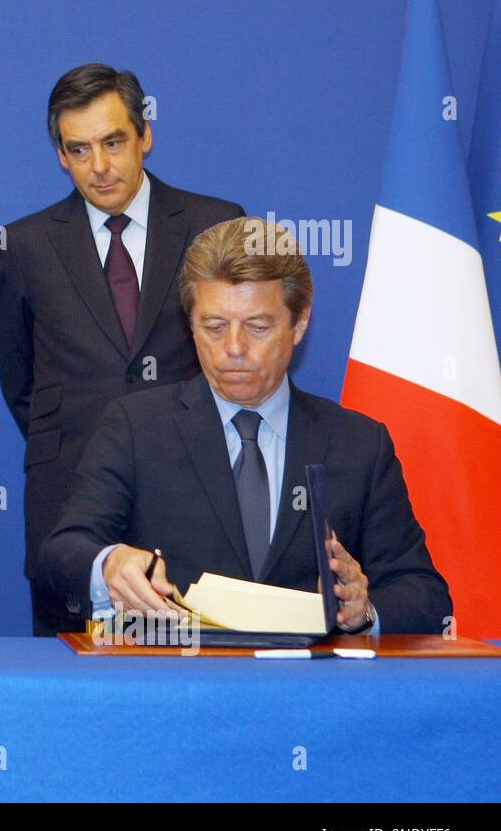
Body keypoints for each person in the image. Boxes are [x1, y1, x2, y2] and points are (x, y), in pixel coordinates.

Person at [36, 217, 453, 635]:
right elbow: (61, 554)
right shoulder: (135, 427)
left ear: (299, 322)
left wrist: (365, 611)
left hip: (312, 692)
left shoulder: (358, 442)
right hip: (177, 684)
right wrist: (109, 563)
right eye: (214, 327)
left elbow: (426, 596)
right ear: (190, 323)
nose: (233, 348)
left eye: (258, 326)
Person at [0, 62, 245, 636]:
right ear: (59, 154)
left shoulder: (216, 224)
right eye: (79, 150)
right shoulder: (23, 245)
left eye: (113, 142)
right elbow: (21, 381)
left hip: (197, 495)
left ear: (145, 136)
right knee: (73, 699)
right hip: (72, 508)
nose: (99, 167)